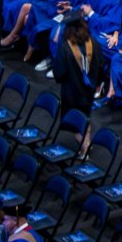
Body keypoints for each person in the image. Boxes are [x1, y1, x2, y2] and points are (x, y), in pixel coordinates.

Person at [51, 15, 103, 152]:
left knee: (75, 120)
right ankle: (87, 143)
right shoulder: (93, 42)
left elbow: (59, 73)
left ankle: (84, 147)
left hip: (71, 91)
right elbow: (102, 65)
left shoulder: (66, 47)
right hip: (89, 89)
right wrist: (96, 83)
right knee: (86, 115)